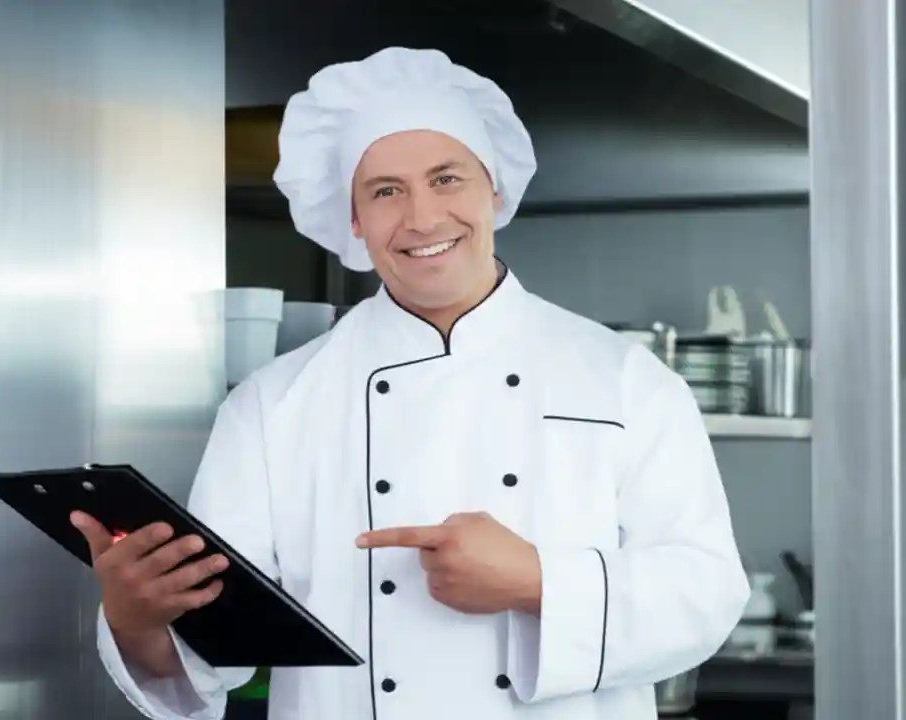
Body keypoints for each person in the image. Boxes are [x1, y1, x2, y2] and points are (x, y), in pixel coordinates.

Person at [72, 46, 750, 719]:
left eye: (447, 178)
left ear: (496, 188)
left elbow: (706, 593)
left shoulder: (627, 381)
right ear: (355, 221)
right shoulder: (271, 404)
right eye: (386, 191)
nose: (422, 218)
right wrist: (136, 618)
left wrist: (536, 580)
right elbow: (207, 654)